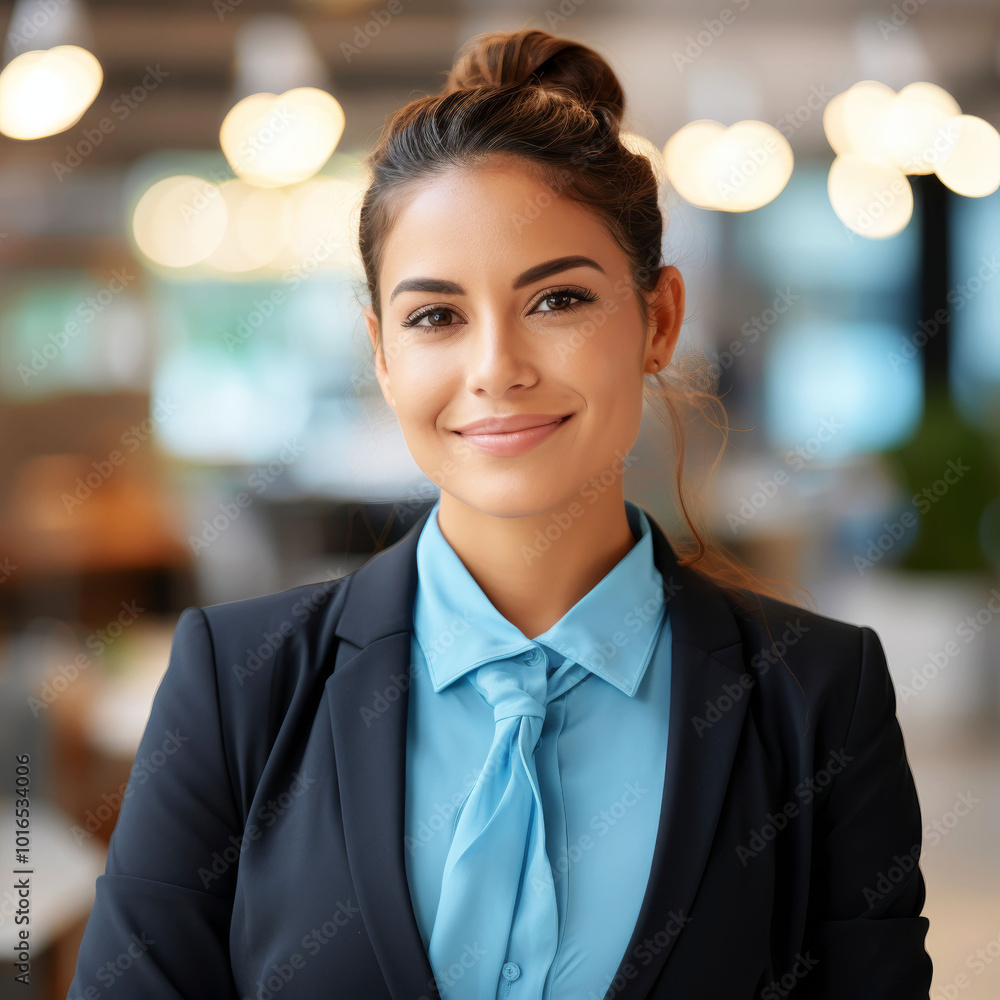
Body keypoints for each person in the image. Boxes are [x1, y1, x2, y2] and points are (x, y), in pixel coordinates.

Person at [66, 27, 933, 1000]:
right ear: (382, 353)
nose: (496, 370)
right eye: (435, 316)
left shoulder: (817, 698)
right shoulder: (237, 689)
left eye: (557, 299)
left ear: (658, 320)